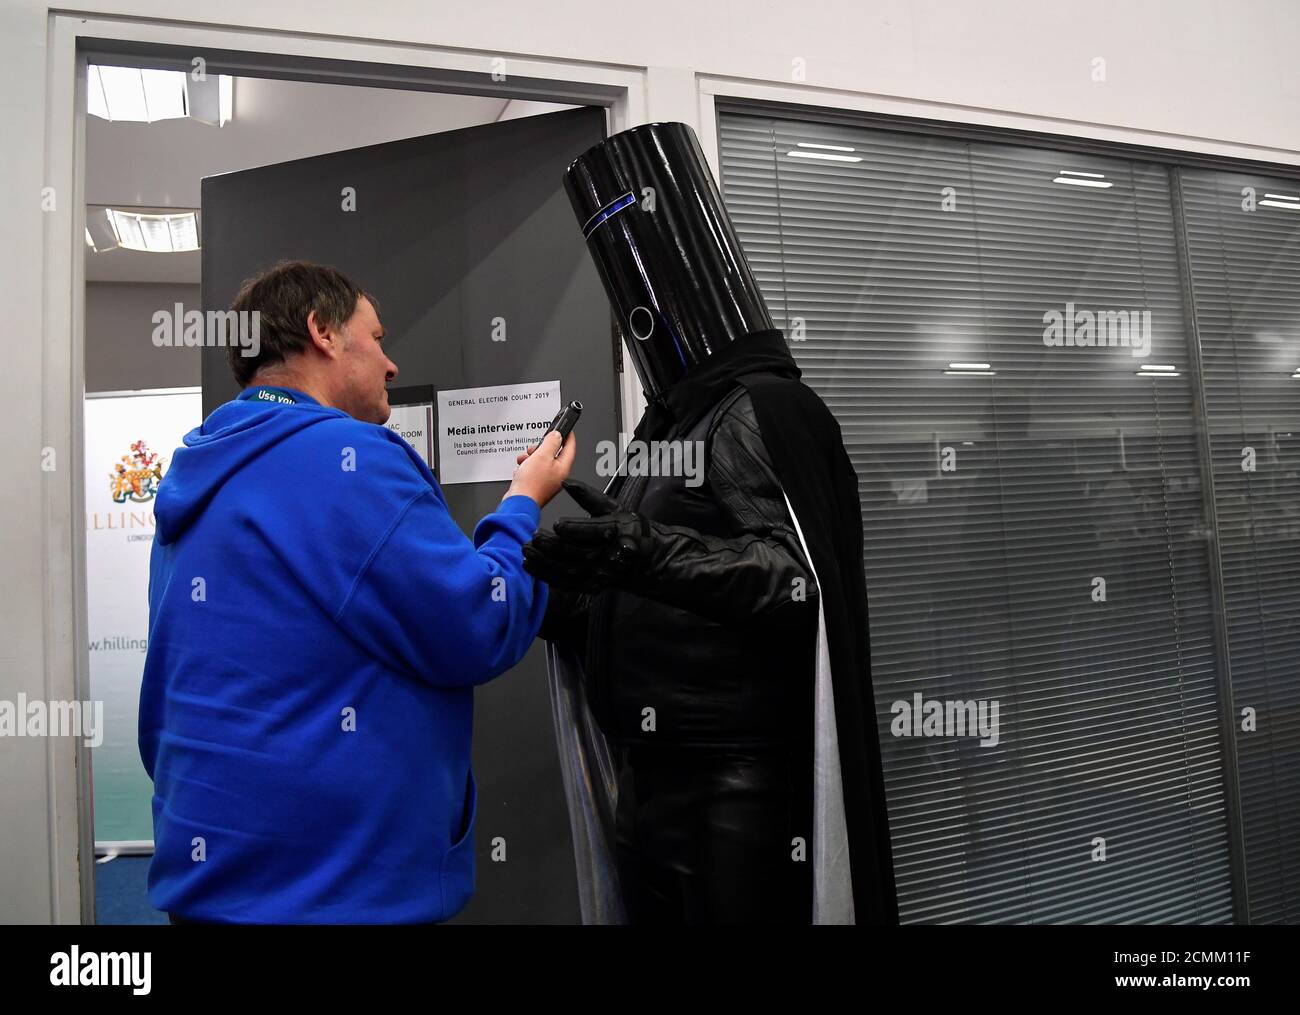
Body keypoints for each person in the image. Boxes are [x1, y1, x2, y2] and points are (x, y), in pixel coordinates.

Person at [525, 122, 897, 925]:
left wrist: (643, 551)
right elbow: (634, 586)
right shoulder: (667, 431)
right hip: (650, 785)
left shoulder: (766, 409)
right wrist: (560, 592)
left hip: (739, 795)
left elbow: (797, 585)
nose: (634, 327)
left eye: (642, 306)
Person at [138, 260, 573, 924]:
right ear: (322, 331)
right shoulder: (350, 456)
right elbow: (479, 622)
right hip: (332, 894)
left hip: (206, 884)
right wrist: (522, 504)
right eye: (377, 337)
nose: (391, 364)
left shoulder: (193, 477)